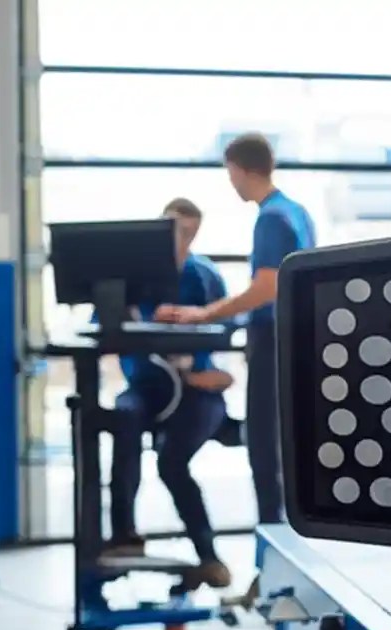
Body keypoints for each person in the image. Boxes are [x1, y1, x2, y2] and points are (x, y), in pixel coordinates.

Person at [156, 132, 317, 528]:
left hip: (273, 344)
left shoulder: (271, 218)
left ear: (241, 169)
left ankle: (270, 565)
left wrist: (203, 314)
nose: (231, 183)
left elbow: (267, 286)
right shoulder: (297, 212)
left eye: (231, 173)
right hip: (298, 342)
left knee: (265, 453)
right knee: (285, 452)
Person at [104, 197, 234, 588]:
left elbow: (230, 326)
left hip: (197, 390)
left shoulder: (204, 275)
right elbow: (104, 327)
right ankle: (124, 535)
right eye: (176, 231)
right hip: (147, 386)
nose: (182, 241)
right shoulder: (131, 278)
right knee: (123, 418)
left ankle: (209, 558)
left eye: (190, 233)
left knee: (171, 463)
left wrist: (215, 371)